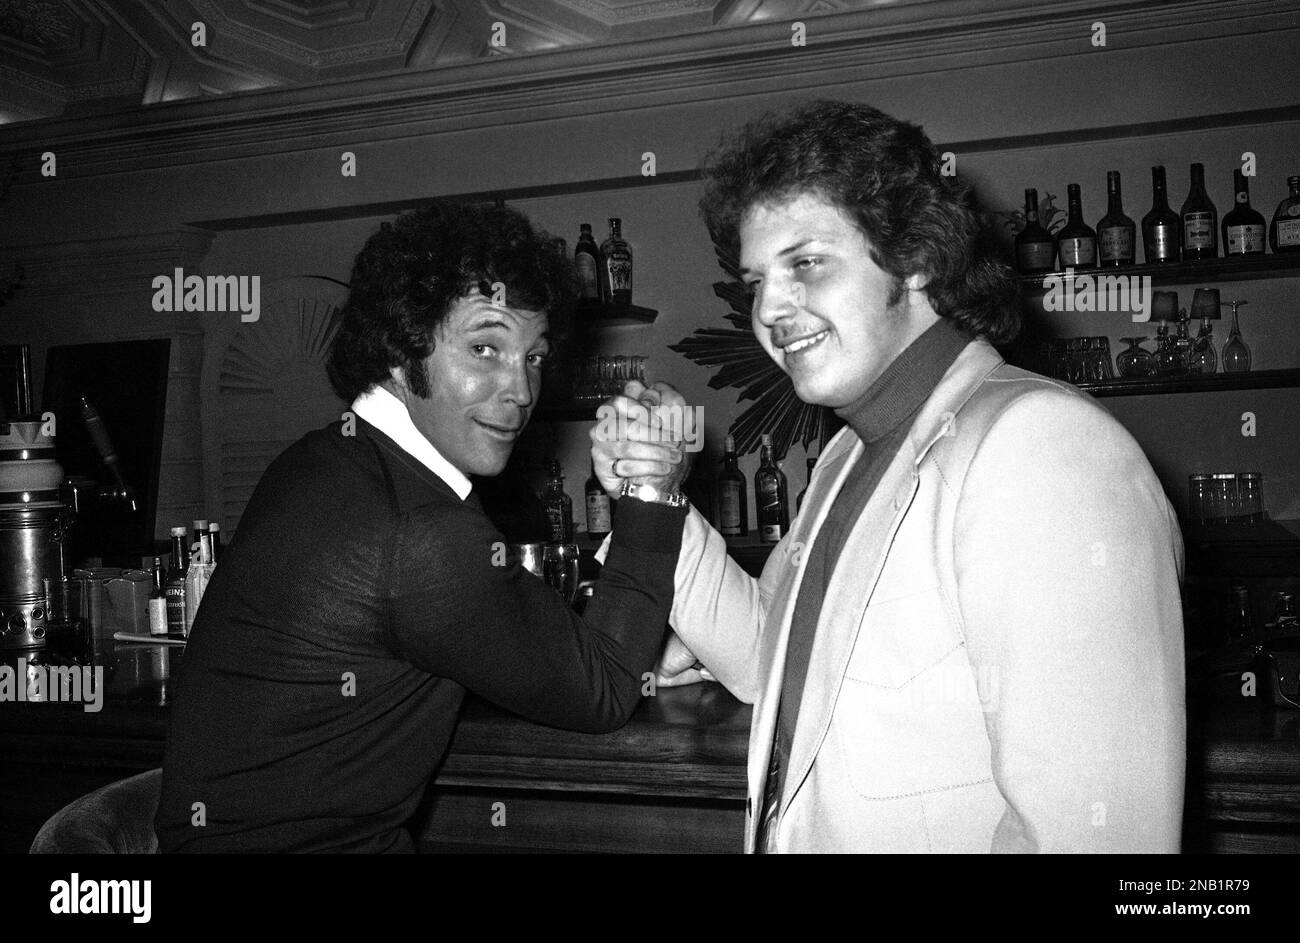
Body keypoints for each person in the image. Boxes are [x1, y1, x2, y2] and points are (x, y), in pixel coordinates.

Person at [593, 100, 1185, 853]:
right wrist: (654, 491)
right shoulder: (848, 453)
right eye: (755, 282)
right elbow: (765, 657)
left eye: (805, 263)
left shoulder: (1044, 448)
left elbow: (1099, 839)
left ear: (916, 260)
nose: (769, 308)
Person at [155, 201, 689, 853]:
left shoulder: (320, 458)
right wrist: (654, 489)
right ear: (404, 349)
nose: (519, 388)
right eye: (486, 348)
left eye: (534, 357)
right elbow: (603, 690)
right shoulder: (423, 532)